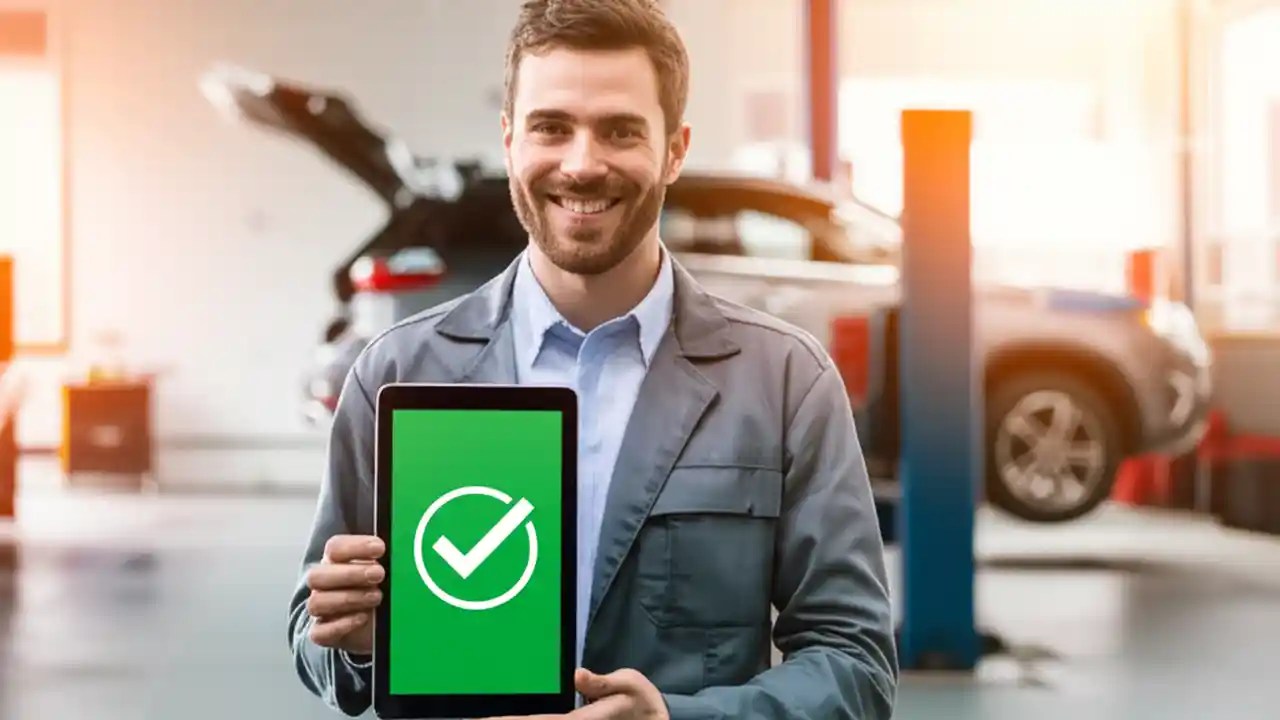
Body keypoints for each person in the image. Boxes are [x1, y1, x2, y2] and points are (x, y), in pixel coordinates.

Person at [288, 1, 898, 717]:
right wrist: (357, 642)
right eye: (551, 127)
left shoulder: (785, 382)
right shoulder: (400, 371)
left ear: (675, 150)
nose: (582, 165)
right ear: (510, 140)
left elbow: (854, 663)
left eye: (620, 131)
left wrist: (676, 719)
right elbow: (314, 639)